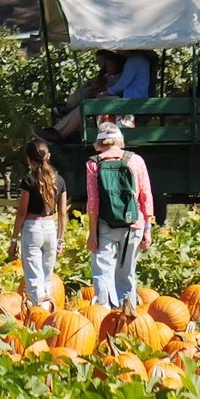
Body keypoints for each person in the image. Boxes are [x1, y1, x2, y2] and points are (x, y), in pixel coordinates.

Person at [85, 119, 155, 308]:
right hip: (134, 224)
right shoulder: (135, 160)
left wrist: (92, 233)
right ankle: (127, 316)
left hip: (105, 225)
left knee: (102, 272)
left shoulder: (93, 164)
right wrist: (148, 228)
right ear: (120, 140)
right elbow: (145, 195)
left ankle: (104, 314)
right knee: (127, 273)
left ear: (99, 143)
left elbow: (93, 202)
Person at [15, 135, 68, 309]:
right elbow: (62, 213)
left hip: (33, 228)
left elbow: (22, 212)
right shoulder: (59, 181)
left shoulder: (28, 180)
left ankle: (39, 314)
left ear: (29, 159)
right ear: (49, 156)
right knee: (47, 277)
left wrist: (14, 238)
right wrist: (61, 238)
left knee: (33, 280)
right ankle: (48, 313)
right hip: (51, 228)